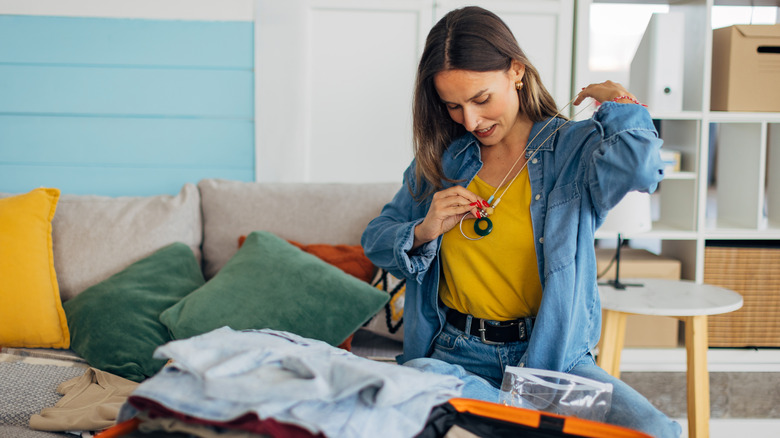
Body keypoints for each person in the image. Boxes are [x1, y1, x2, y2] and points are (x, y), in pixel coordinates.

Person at [361, 6, 681, 438]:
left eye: (480, 99)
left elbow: (642, 171)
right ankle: (510, 419)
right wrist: (423, 230)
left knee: (657, 432)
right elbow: (376, 239)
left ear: (516, 71)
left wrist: (620, 100)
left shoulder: (572, 149)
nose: (471, 121)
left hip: (550, 359)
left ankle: (509, 418)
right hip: (452, 356)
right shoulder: (441, 160)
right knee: (425, 379)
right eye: (453, 106)